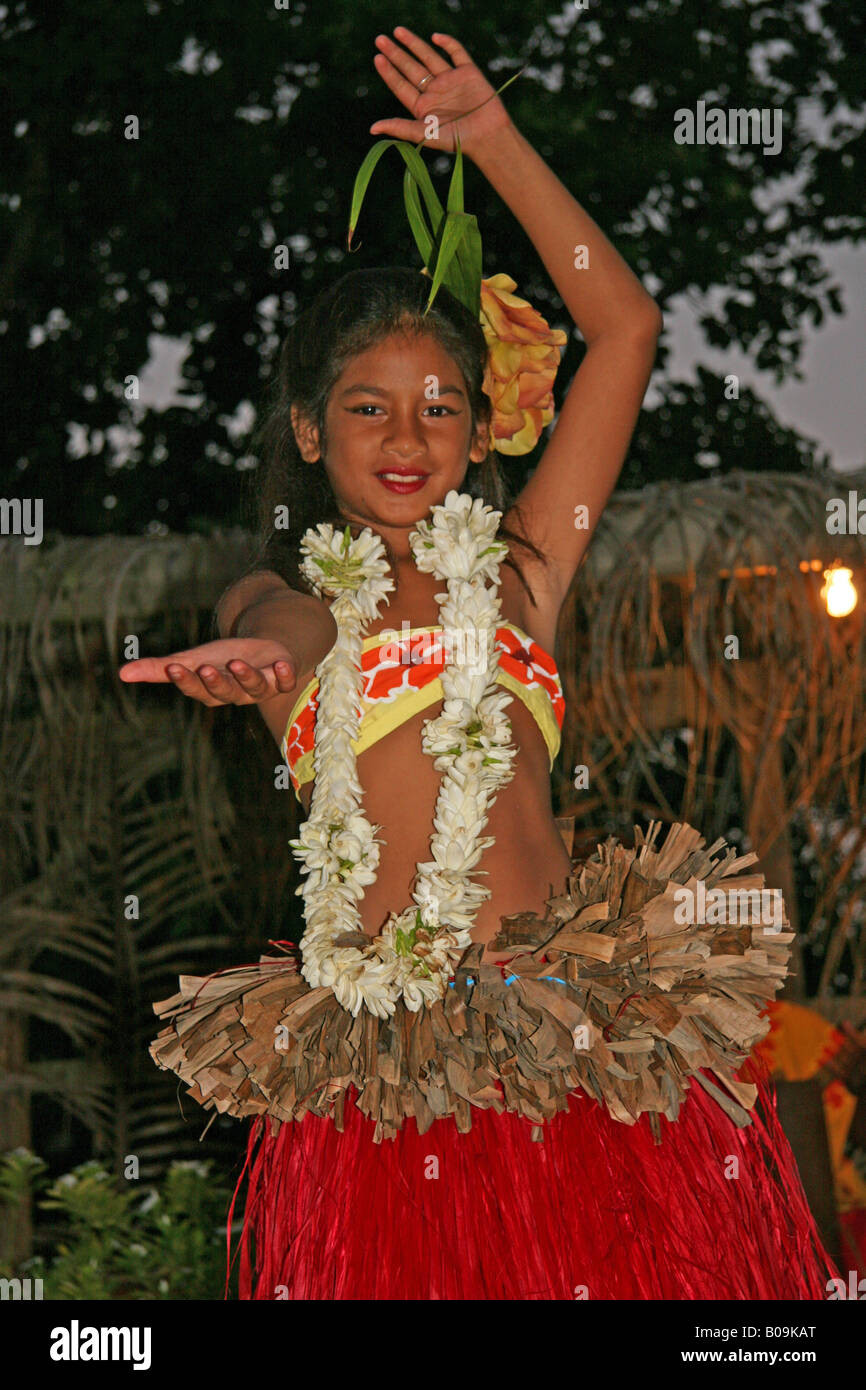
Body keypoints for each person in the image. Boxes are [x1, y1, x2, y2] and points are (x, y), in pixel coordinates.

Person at [120, 27, 839, 1300]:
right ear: (307, 425)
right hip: (400, 1078)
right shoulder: (295, 599)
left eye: (438, 404)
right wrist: (251, 660)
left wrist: (492, 140)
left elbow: (621, 329)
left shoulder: (520, 574)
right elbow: (283, 632)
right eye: (367, 406)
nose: (407, 436)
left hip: (577, 1035)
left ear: (478, 422)